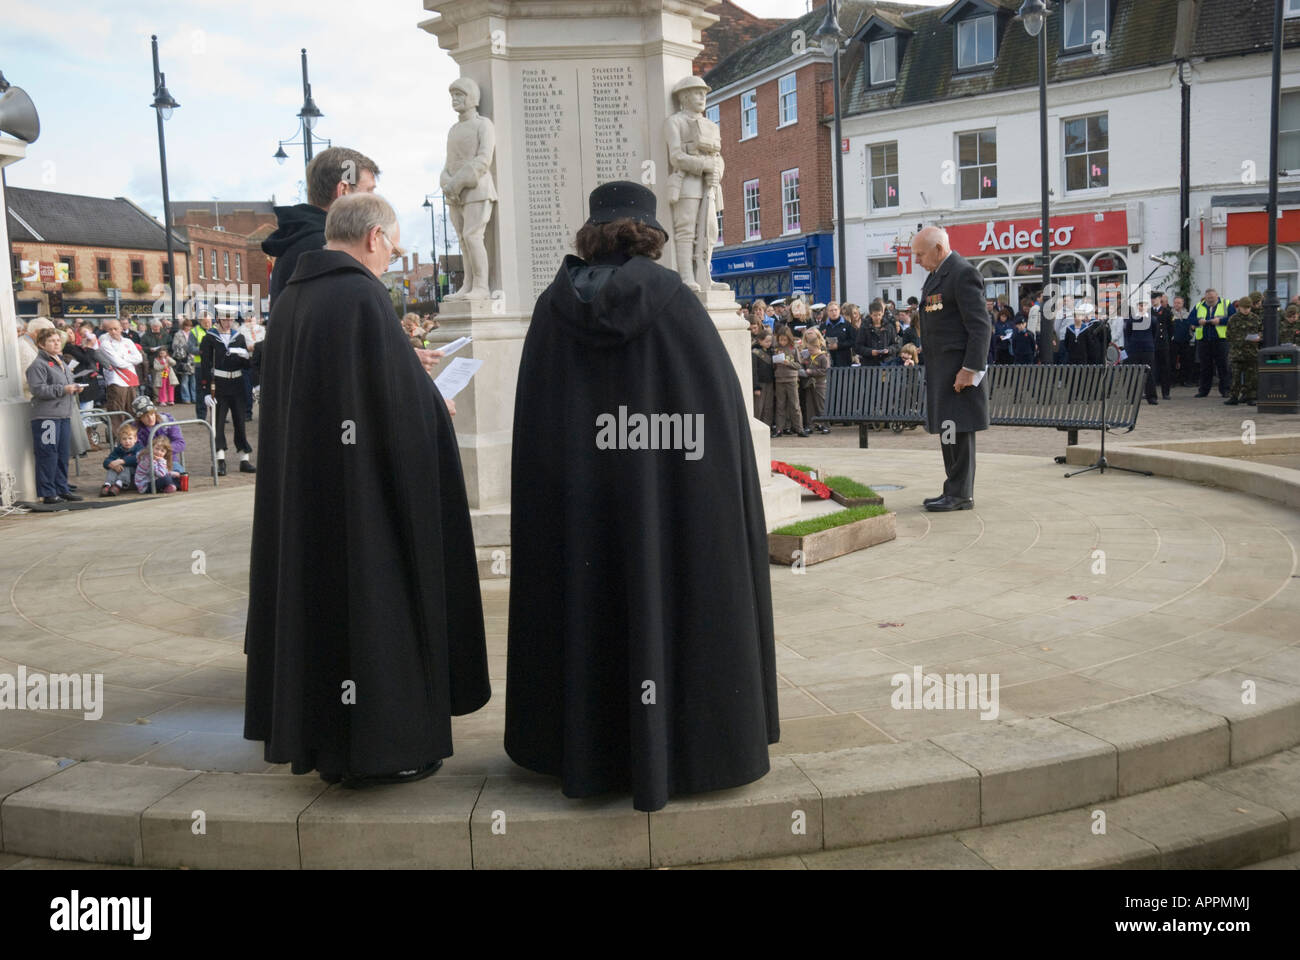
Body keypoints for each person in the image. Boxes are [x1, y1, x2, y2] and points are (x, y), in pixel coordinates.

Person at [505, 181, 777, 812]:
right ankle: (679, 750)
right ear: (651, 234)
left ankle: (586, 749)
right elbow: (718, 426)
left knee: (586, 604)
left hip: (577, 511)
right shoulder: (676, 304)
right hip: (666, 510)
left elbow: (539, 429)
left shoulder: (551, 309)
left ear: (590, 234)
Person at [245, 192, 489, 786]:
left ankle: (332, 743)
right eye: (395, 246)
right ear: (375, 238)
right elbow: (392, 409)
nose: (392, 257)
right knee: (376, 610)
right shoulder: (359, 294)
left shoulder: (298, 294)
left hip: (317, 492)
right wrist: (433, 399)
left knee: (327, 613)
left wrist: (406, 366)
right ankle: (388, 745)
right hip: (364, 501)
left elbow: (352, 386)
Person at [910, 226, 990, 512]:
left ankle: (961, 494)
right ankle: (952, 489)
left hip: (958, 371)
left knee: (960, 431)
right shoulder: (937, 276)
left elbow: (980, 326)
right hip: (941, 369)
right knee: (948, 430)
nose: (916, 260)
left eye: (920, 254)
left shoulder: (961, 273)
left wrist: (970, 369)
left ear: (939, 250)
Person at [262, 146, 381, 307]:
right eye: (368, 191)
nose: (375, 202)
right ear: (344, 191)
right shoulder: (328, 249)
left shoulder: (297, 241)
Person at [26, 326, 86, 505]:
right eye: (52, 341)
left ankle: (61, 487)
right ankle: (47, 491)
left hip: (63, 414)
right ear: (41, 344)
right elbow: (38, 389)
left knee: (62, 453)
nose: (56, 343)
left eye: (58, 340)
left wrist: (75, 387)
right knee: (48, 454)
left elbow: (67, 382)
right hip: (47, 417)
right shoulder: (38, 365)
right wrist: (64, 389)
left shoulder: (60, 361)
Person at [200, 312, 255, 476]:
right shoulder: (210, 338)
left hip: (236, 384)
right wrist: (205, 391)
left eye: (231, 319)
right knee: (218, 423)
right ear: (218, 320)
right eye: (225, 319)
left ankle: (244, 459)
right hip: (219, 385)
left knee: (240, 422)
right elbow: (205, 366)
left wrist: (246, 357)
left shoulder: (238, 337)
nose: (228, 323)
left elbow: (246, 366)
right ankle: (220, 459)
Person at [92, 318, 144, 430]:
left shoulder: (128, 342)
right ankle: (116, 438)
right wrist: (128, 359)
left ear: (121, 328)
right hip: (116, 380)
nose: (113, 331)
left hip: (131, 379)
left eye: (115, 329)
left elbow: (139, 358)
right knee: (117, 411)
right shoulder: (105, 343)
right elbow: (117, 362)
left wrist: (123, 357)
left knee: (131, 410)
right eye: (110, 329)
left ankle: (131, 436)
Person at [1193, 288, 1234, 397]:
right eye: (1208, 297)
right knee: (1205, 367)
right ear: (1205, 297)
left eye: (1212, 297)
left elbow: (1233, 318)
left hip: (1221, 340)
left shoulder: (1227, 304)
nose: (1210, 299)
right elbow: (1190, 319)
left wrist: (1220, 321)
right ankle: (1203, 390)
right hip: (1204, 340)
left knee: (1223, 366)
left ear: (1217, 296)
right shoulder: (1199, 305)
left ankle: (1225, 390)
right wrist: (1198, 322)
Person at [131, 397, 187, 476]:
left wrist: (163, 450)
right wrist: (150, 454)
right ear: (139, 418)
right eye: (145, 416)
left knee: (181, 475)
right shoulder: (135, 428)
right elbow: (135, 449)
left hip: (169, 460)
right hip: (147, 463)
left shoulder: (167, 421)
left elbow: (180, 443)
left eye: (152, 414)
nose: (150, 418)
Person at [771, 327, 809, 436]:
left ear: (789, 339)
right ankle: (779, 429)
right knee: (780, 405)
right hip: (779, 379)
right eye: (780, 340)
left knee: (795, 405)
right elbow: (772, 365)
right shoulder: (776, 349)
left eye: (785, 340)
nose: (782, 342)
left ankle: (799, 428)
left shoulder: (793, 349)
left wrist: (788, 363)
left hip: (791, 379)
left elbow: (798, 365)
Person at [1224, 297, 1262, 406]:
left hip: (1251, 352)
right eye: (1244, 308)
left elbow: (1261, 331)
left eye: (1248, 307)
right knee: (1235, 376)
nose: (1246, 310)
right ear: (1239, 307)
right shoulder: (1233, 319)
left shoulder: (1255, 318)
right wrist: (1240, 339)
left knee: (1251, 376)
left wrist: (1259, 337)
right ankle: (1234, 396)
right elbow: (1228, 335)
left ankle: (1250, 397)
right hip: (1237, 352)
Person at [1123, 301, 1159, 405]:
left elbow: (1154, 333)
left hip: (1148, 349)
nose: (1142, 307)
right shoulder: (1131, 319)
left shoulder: (1152, 319)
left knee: (1149, 373)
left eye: (1144, 305)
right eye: (1140, 305)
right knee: (1133, 373)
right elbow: (1128, 333)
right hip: (1134, 349)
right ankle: (1132, 397)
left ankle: (1151, 397)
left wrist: (1149, 342)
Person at [799, 327, 830, 433]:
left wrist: (811, 372)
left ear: (818, 347)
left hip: (820, 384)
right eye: (809, 350)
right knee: (810, 405)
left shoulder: (822, 357)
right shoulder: (808, 357)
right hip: (809, 384)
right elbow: (804, 365)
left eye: (812, 350)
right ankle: (810, 425)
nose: (810, 352)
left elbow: (825, 371)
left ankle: (825, 425)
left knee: (821, 405)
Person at [100, 421, 143, 496]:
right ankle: (108, 484)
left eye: (130, 438)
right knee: (112, 467)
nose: (127, 441)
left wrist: (121, 461)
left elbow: (137, 458)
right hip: (120, 475)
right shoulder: (119, 449)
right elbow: (106, 461)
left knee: (125, 466)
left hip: (134, 477)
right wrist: (112, 465)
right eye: (124, 439)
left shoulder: (139, 448)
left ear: (135, 439)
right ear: (120, 440)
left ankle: (118, 485)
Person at [855, 299, 898, 366]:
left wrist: (888, 350)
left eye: (879, 315)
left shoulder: (889, 327)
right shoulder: (864, 327)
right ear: (870, 314)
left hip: (886, 363)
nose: (877, 317)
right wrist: (870, 352)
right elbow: (858, 347)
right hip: (869, 364)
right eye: (875, 315)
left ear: (883, 313)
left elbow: (896, 345)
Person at [752, 330, 775, 433]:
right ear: (760, 341)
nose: (769, 343)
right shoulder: (755, 352)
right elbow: (754, 371)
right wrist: (756, 387)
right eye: (766, 341)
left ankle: (767, 428)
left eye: (770, 341)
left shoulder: (771, 351)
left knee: (768, 407)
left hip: (769, 382)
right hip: (760, 383)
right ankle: (758, 429)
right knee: (759, 407)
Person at [1171, 294, 1195, 386]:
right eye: (1175, 303)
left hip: (1185, 341)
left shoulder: (1188, 314)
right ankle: (1172, 381)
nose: (1177, 304)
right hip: (1174, 341)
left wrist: (1191, 333)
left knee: (1186, 361)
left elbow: (1192, 327)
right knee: (1172, 361)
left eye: (1179, 303)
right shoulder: (1170, 314)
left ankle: (1185, 380)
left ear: (1183, 304)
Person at [820, 300, 854, 367]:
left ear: (839, 310)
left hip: (844, 359)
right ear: (827, 312)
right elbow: (820, 341)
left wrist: (838, 345)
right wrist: (826, 345)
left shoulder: (847, 325)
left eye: (835, 310)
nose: (834, 312)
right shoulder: (823, 326)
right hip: (828, 359)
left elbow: (852, 341)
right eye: (831, 310)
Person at [172, 318, 195, 405]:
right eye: (186, 326)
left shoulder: (193, 333)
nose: (188, 328)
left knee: (193, 380)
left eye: (189, 326)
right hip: (184, 359)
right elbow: (174, 346)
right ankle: (186, 399)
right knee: (185, 380)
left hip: (193, 358)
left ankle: (194, 398)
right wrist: (185, 347)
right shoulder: (178, 334)